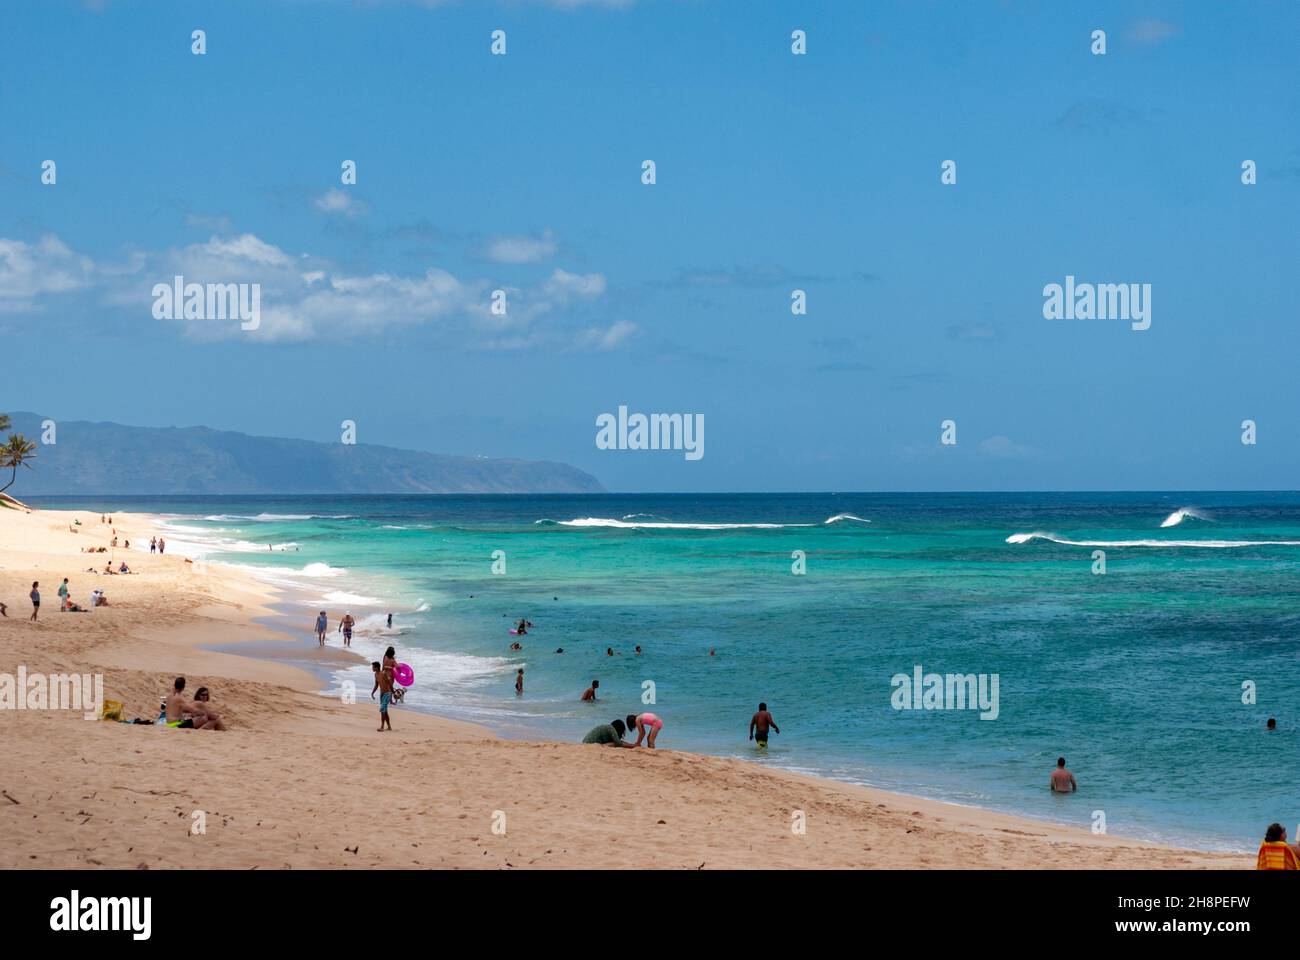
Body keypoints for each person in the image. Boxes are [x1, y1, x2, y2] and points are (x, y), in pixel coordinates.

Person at [371, 661, 394, 731]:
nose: (372, 668)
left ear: (377, 667)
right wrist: (372, 692)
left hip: (387, 693)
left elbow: (389, 683)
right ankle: (389, 727)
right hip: (382, 694)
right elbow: (376, 684)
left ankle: (382, 727)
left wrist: (393, 692)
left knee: (382, 710)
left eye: (373, 667)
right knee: (385, 711)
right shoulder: (376, 675)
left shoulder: (383, 674)